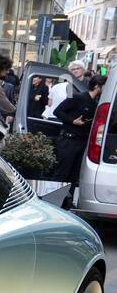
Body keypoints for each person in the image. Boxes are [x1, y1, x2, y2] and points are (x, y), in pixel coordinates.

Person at [54, 75, 106, 207]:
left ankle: (67, 202)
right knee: (62, 173)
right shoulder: (78, 97)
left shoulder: (96, 103)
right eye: (104, 86)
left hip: (81, 142)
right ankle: (54, 202)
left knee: (73, 174)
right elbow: (57, 111)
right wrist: (72, 121)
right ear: (97, 86)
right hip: (68, 140)